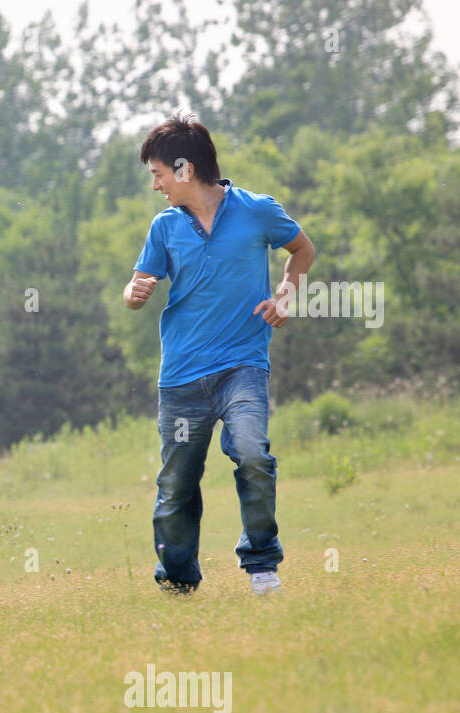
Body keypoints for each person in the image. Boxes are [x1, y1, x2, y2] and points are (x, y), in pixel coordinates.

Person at [123, 113, 316, 597]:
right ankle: (179, 581)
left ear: (184, 169)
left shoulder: (257, 210)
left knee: (252, 454)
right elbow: (135, 287)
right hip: (182, 377)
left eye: (159, 174)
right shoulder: (165, 227)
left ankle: (261, 565)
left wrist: (286, 296)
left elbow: (302, 250)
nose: (156, 185)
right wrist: (135, 291)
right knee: (176, 488)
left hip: (242, 366)